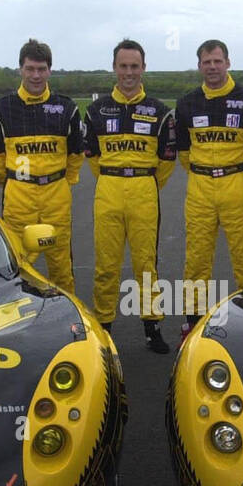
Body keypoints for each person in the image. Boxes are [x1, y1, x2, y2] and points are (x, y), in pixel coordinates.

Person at [83, 39, 177, 353]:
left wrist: (143, 183)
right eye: (123, 66)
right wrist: (115, 178)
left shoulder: (159, 111)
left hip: (144, 190)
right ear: (114, 67)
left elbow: (166, 161)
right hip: (108, 187)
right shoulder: (95, 110)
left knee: (145, 263)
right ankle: (104, 328)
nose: (128, 73)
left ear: (143, 68)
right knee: (106, 265)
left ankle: (152, 327)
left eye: (134, 66)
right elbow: (93, 157)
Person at [174, 39, 243, 338]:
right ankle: (193, 323)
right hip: (199, 185)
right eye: (206, 62)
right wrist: (205, 175)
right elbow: (185, 155)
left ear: (227, 62)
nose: (212, 67)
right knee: (196, 259)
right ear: (199, 65)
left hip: (236, 183)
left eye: (217, 61)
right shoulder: (186, 103)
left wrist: (236, 178)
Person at [0, 38, 84, 293]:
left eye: (41, 69)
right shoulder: (1, 109)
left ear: (50, 70)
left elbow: (76, 154)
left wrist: (64, 182)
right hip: (20, 195)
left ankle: (67, 319)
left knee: (61, 264)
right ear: (20, 69)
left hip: (56, 194)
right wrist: (14, 185)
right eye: (30, 69)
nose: (36, 75)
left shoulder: (67, 108)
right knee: (17, 264)